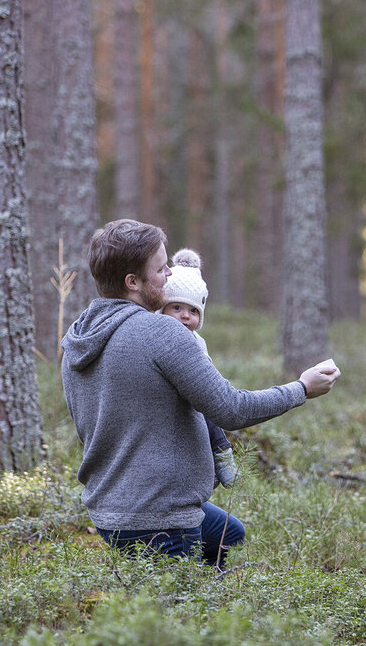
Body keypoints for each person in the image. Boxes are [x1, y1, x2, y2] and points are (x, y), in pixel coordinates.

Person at [61, 219, 340, 567]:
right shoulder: (161, 332)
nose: (170, 276)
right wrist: (302, 388)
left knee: (229, 535)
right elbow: (231, 409)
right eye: (161, 269)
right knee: (177, 617)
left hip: (110, 510)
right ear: (133, 282)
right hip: (161, 518)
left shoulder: (79, 336)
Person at [159, 247, 239, 488]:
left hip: (197, 397)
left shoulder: (197, 341)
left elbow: (207, 374)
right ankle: (217, 458)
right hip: (171, 402)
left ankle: (222, 454)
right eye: (177, 308)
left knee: (209, 420)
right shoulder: (157, 335)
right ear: (162, 308)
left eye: (193, 311)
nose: (185, 316)